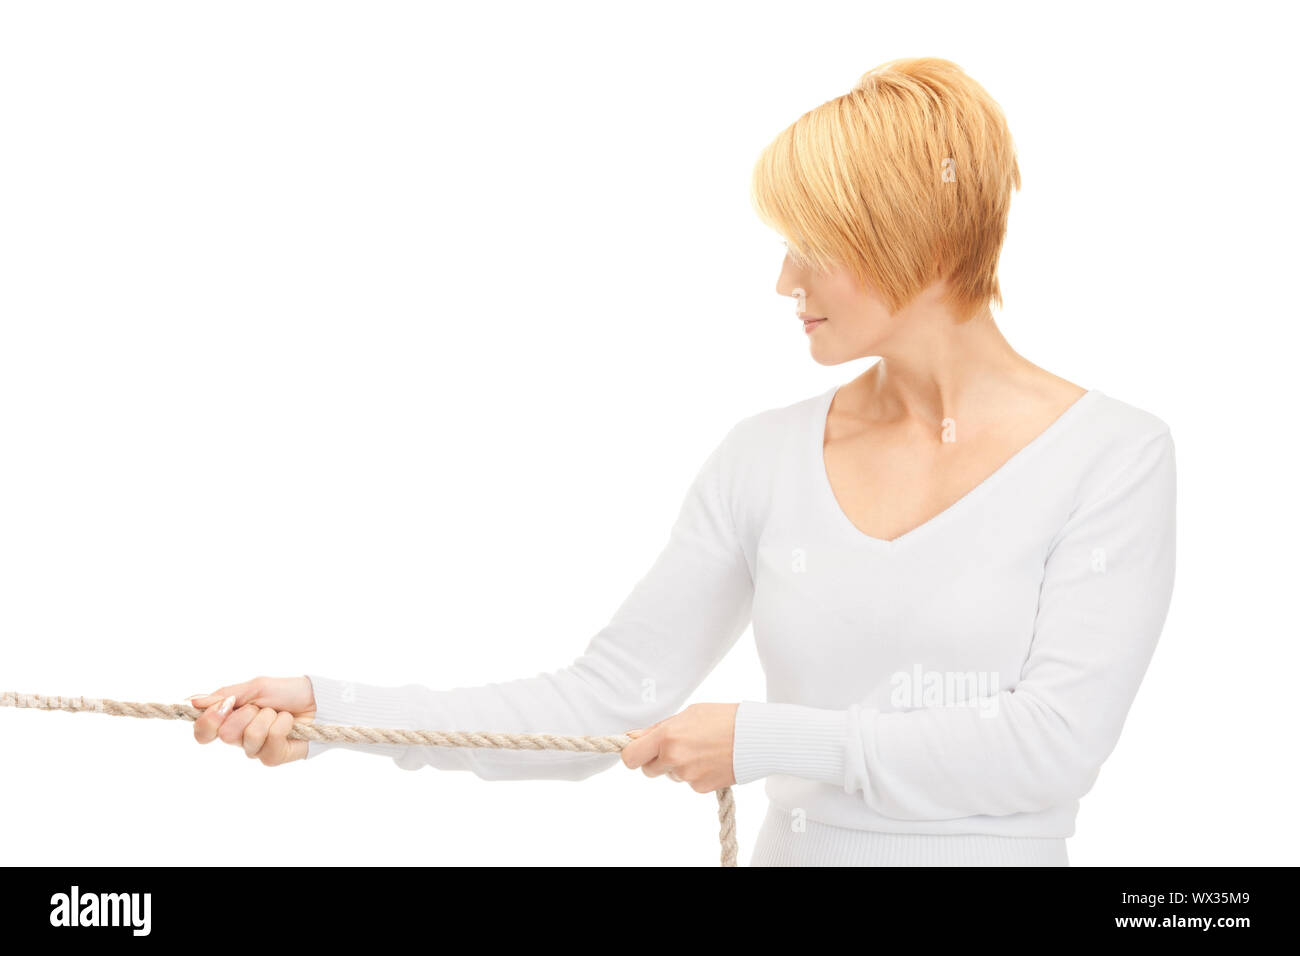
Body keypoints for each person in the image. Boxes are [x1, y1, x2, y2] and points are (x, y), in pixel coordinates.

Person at [188, 57, 1176, 866]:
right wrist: (335, 712)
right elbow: (598, 698)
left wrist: (764, 739)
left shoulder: (1111, 456)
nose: (782, 278)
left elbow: (1051, 746)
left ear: (914, 238)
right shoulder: (765, 457)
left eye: (812, 243)